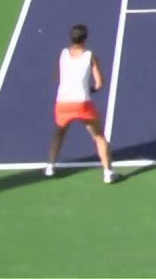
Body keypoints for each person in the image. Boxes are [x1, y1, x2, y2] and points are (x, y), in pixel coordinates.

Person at [45, 24, 118, 184]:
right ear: (85, 38)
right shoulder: (90, 56)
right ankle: (107, 172)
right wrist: (90, 89)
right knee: (99, 137)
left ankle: (50, 166)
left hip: (63, 103)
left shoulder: (63, 54)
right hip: (82, 104)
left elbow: (58, 77)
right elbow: (99, 83)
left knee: (59, 133)